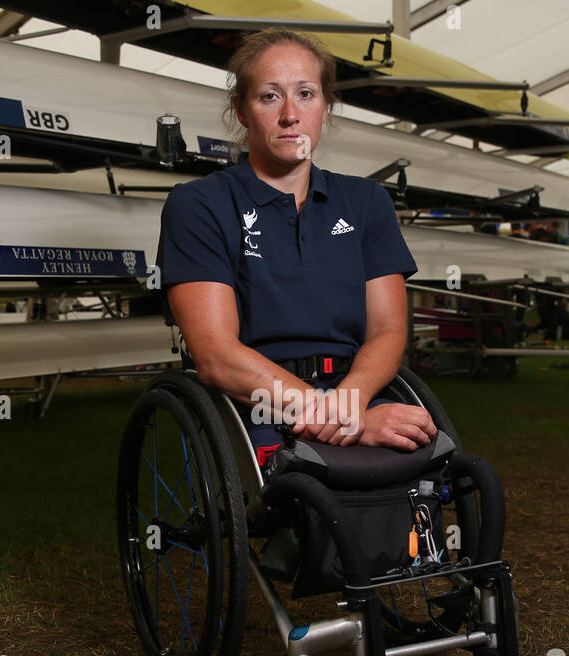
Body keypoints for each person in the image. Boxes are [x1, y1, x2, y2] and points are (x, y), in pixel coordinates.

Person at [157, 28, 437, 468]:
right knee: (310, 500)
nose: (291, 114)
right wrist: (350, 422)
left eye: (306, 94)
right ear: (242, 111)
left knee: (452, 473)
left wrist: (351, 403)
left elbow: (387, 331)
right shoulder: (198, 204)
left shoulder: (366, 201)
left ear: (326, 107)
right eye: (270, 97)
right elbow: (215, 356)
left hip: (358, 389)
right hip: (255, 402)